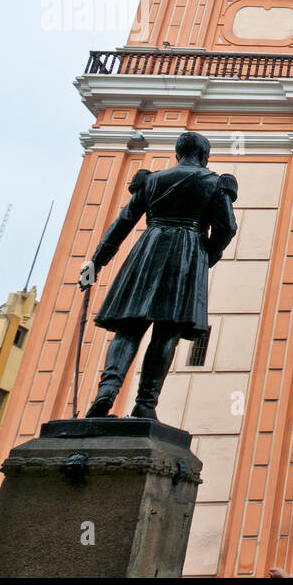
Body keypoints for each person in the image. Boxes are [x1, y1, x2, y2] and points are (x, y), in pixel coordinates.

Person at [80, 131, 238, 420]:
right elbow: (227, 227)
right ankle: (146, 403)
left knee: (128, 327)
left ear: (178, 154)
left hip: (148, 251)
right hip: (187, 253)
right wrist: (208, 255)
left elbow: (123, 223)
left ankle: (108, 390)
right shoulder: (215, 183)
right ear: (205, 156)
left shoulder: (150, 180)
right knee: (168, 329)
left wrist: (96, 262)